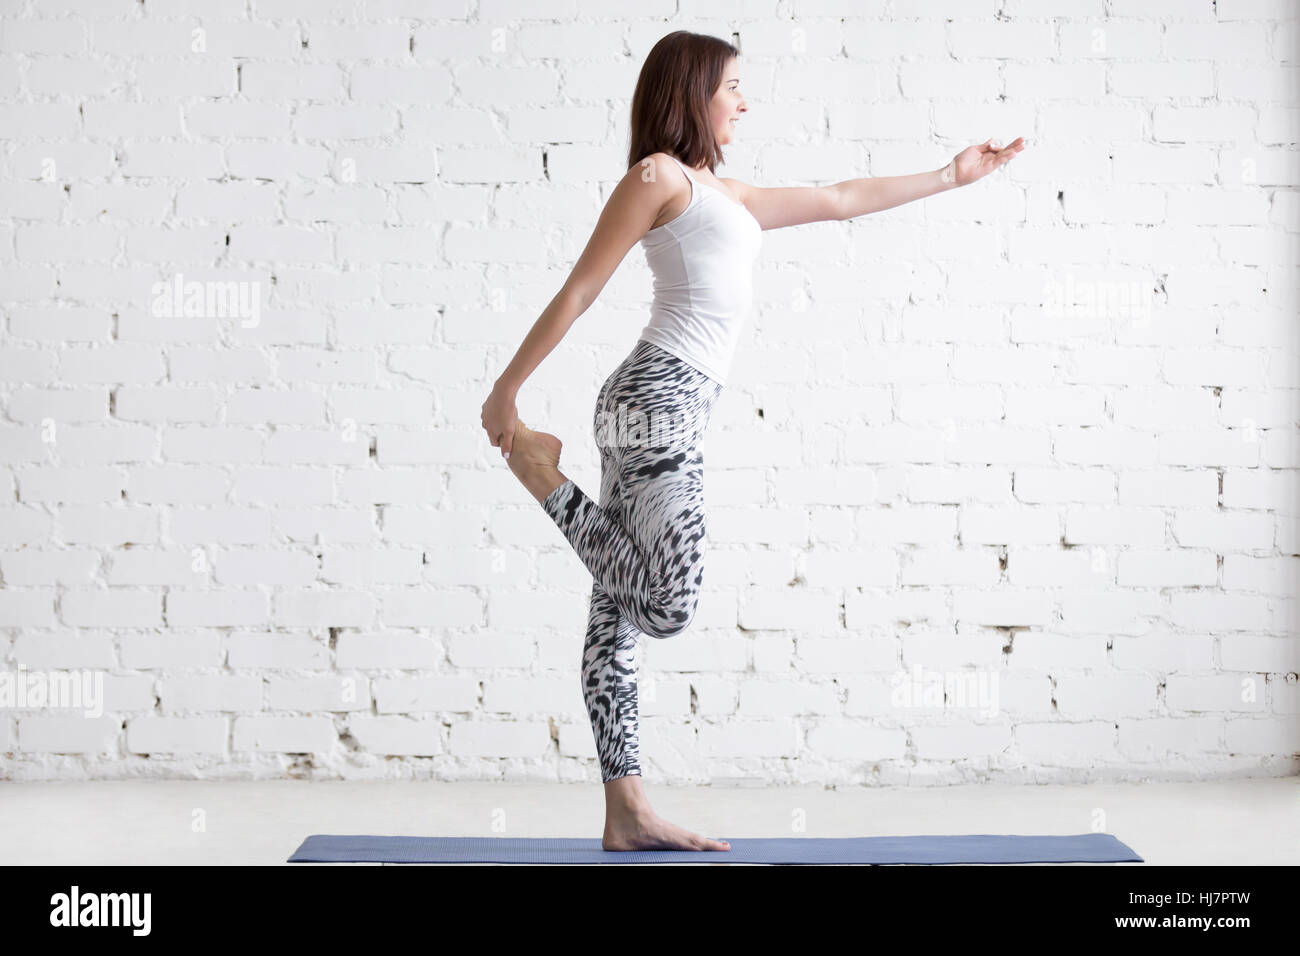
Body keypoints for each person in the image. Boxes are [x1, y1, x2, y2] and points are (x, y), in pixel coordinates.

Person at [480, 30, 1026, 852]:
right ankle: (541, 477)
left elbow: (841, 197)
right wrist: (507, 389)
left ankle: (624, 809)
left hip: (670, 405)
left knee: (616, 612)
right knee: (666, 602)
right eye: (731, 85)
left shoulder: (725, 194)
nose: (743, 100)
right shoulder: (657, 178)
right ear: (689, 91)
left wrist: (951, 176)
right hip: (654, 399)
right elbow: (582, 287)